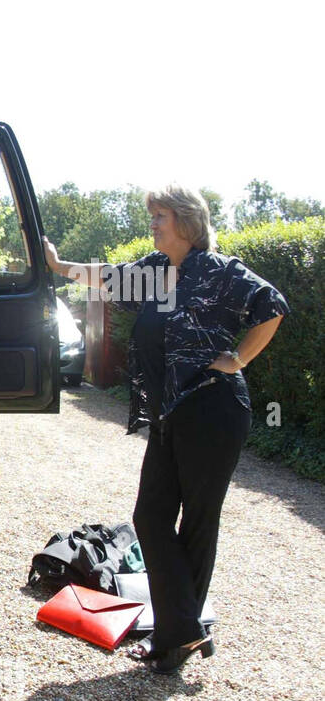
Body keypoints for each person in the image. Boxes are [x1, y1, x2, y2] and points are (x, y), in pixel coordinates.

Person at [43, 183, 288, 674]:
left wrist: (238, 357)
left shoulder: (219, 272)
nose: (152, 224)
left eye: (159, 216)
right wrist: (57, 265)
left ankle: (176, 638)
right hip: (170, 414)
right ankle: (187, 631)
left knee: (198, 521)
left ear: (186, 221)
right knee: (151, 517)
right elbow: (106, 276)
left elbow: (273, 304)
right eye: (152, 215)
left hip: (214, 410)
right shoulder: (154, 273)